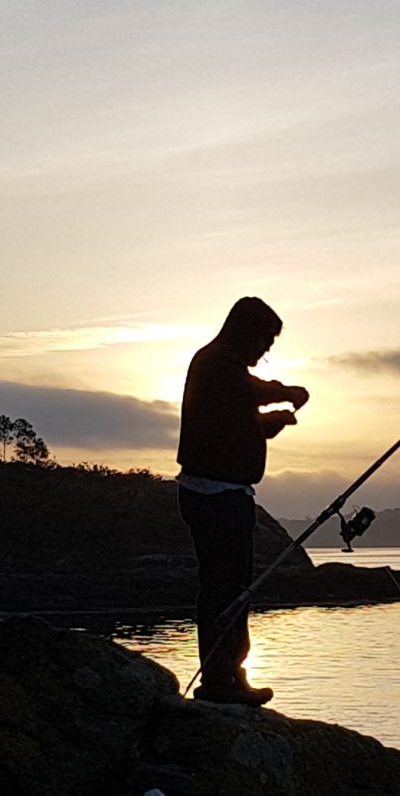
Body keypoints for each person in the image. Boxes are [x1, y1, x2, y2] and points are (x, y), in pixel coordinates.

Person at [176, 296, 308, 706]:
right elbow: (250, 393)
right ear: (246, 332)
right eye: (266, 339)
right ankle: (221, 682)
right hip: (216, 497)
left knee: (229, 588)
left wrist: (276, 421)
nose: (267, 349)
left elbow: (241, 424)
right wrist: (289, 393)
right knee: (226, 590)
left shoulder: (218, 368)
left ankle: (230, 676)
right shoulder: (218, 364)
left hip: (220, 494)